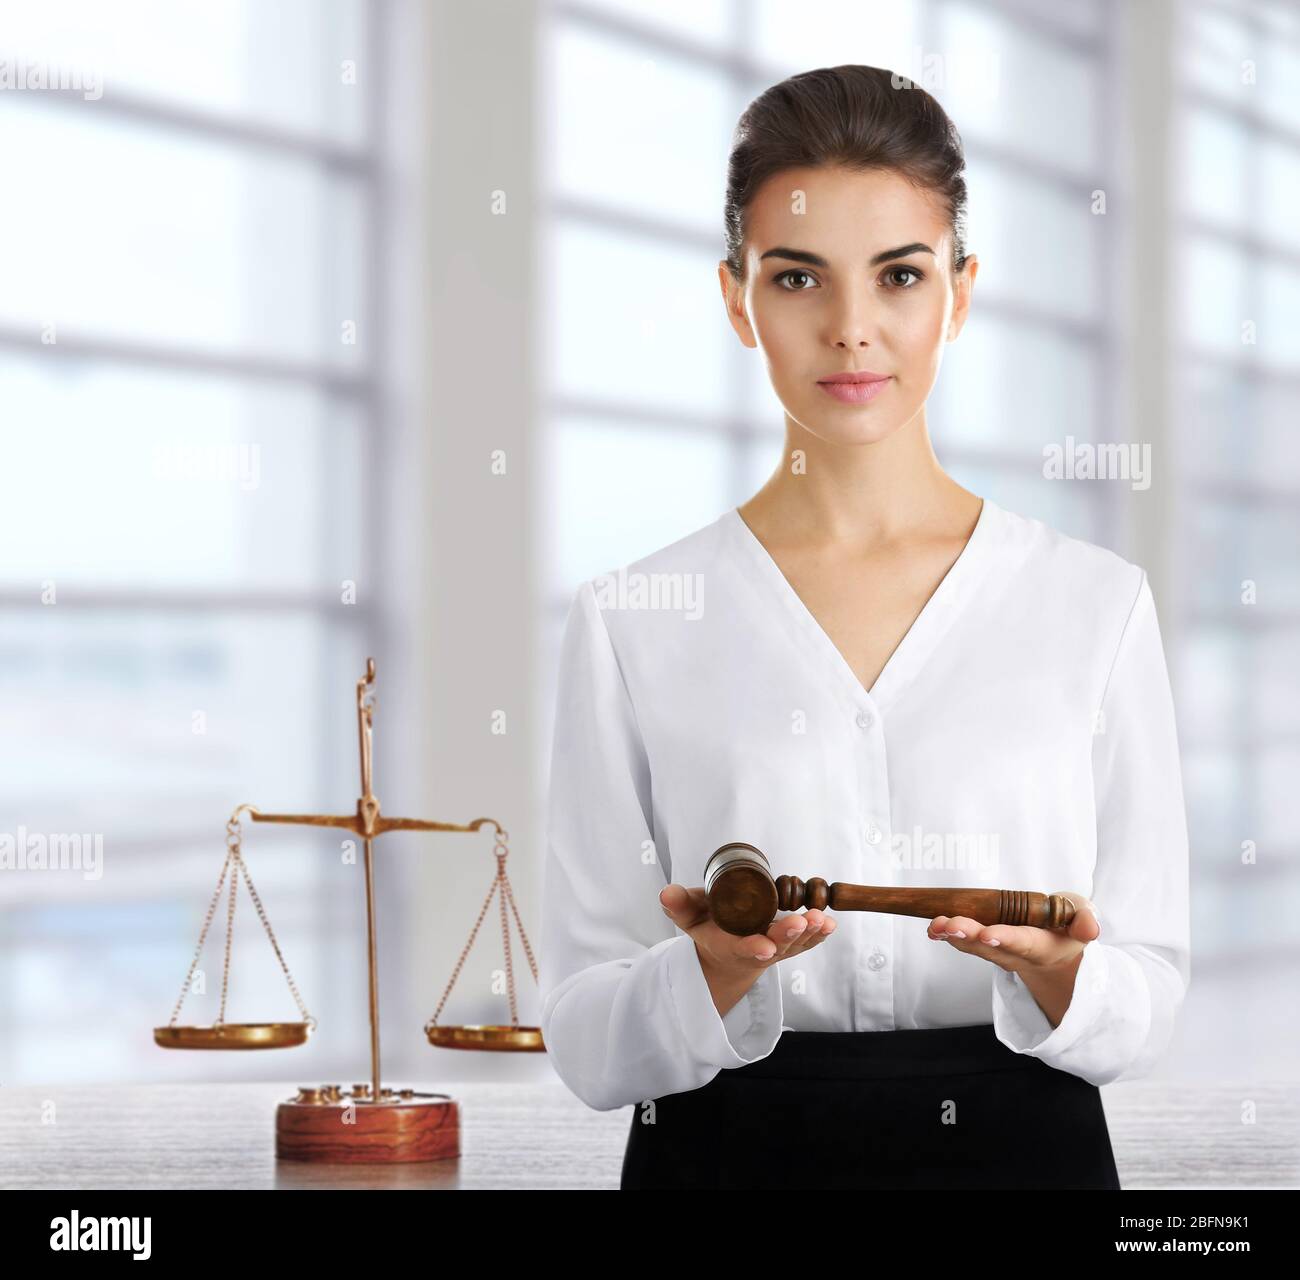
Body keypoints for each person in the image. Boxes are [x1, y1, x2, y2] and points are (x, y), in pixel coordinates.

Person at [538, 64, 1190, 1191]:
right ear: (738, 298)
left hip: (1026, 1168)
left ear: (960, 292)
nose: (850, 329)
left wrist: (1059, 978)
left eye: (898, 275)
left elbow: (1150, 992)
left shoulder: (1093, 605)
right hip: (724, 1170)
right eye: (799, 277)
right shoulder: (630, 621)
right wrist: (706, 972)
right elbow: (588, 1043)